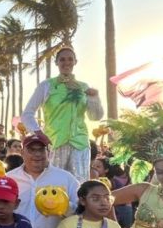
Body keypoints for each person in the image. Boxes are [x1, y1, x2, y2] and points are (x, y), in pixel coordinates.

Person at [20, 47, 104, 183]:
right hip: (55, 143)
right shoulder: (47, 85)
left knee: (79, 187)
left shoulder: (83, 87)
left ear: (75, 62)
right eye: (62, 59)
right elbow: (27, 114)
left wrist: (95, 98)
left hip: (80, 145)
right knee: (53, 186)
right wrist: (39, 134)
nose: (66, 62)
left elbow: (95, 117)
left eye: (70, 59)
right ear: (56, 62)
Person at [5, 134, 79, 228]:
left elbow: (79, 213)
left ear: (48, 152)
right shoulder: (10, 178)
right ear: (23, 152)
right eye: (31, 150)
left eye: (41, 149)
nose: (37, 154)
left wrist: (63, 206)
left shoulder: (66, 178)